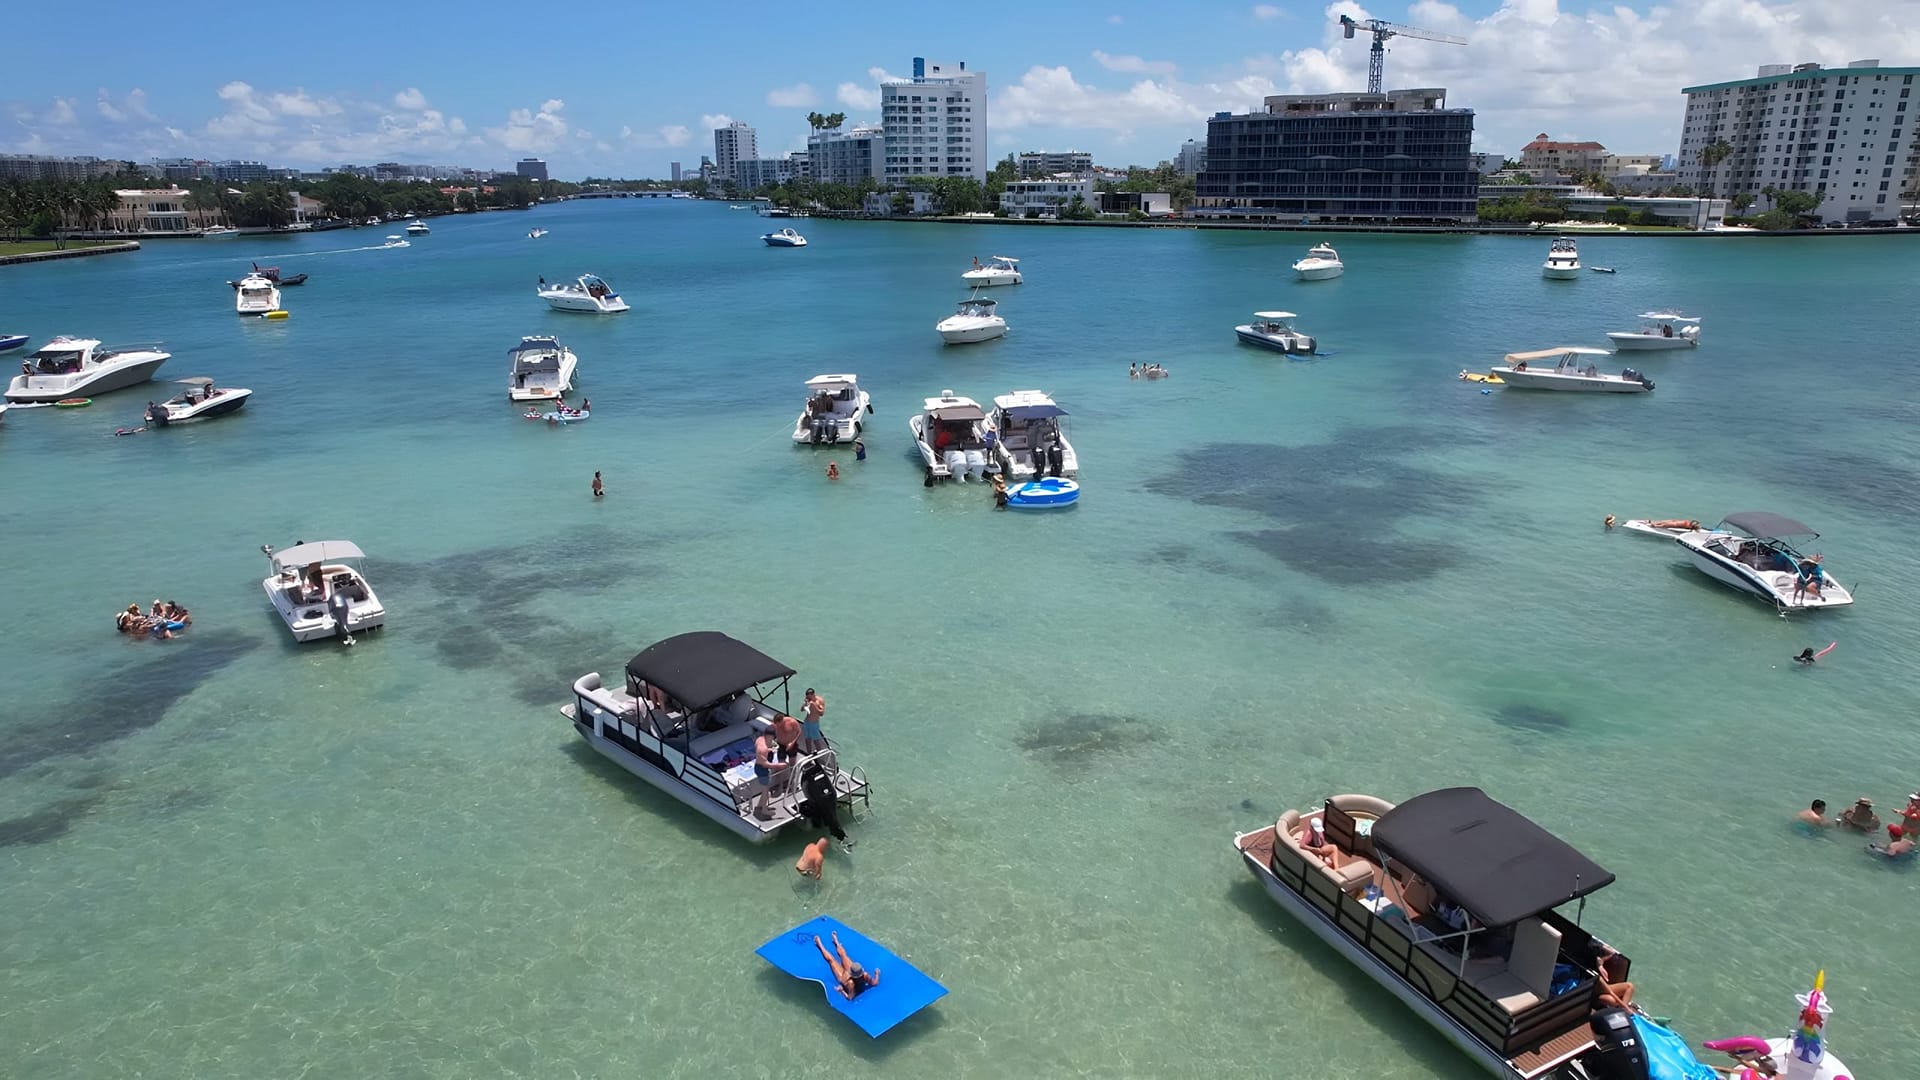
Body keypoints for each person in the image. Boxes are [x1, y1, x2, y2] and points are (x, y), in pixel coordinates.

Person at [814, 932, 880, 1000]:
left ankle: (820, 945)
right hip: (848, 977)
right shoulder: (865, 975)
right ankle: (836, 941)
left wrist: (841, 990)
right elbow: (874, 983)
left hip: (843, 977)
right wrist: (877, 974)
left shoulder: (851, 984)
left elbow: (850, 997)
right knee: (844, 956)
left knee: (831, 960)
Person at [1594, 943, 1635, 1011]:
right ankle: (1623, 1009)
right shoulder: (1597, 976)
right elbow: (1610, 992)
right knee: (1611, 1000)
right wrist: (1626, 1008)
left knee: (1630, 986)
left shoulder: (1599, 964)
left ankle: (1622, 1009)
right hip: (1597, 992)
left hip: (1605, 988)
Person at [801, 688, 827, 753]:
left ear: (813, 695)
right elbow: (802, 710)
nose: (808, 698)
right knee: (807, 740)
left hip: (814, 723)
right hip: (807, 722)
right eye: (807, 697)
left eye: (809, 697)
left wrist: (814, 706)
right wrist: (805, 705)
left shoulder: (819, 701)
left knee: (816, 740)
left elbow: (821, 713)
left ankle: (820, 755)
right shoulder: (808, 700)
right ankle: (809, 753)